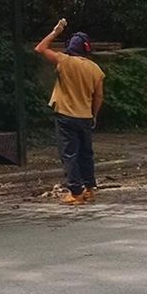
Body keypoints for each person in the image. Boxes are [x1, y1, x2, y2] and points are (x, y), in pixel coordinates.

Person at [35, 18, 104, 205]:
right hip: (85, 116)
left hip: (65, 115)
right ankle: (89, 189)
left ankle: (75, 192)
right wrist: (94, 115)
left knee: (69, 154)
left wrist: (56, 31)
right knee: (86, 153)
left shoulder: (64, 61)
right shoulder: (96, 69)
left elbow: (40, 48)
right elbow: (98, 97)